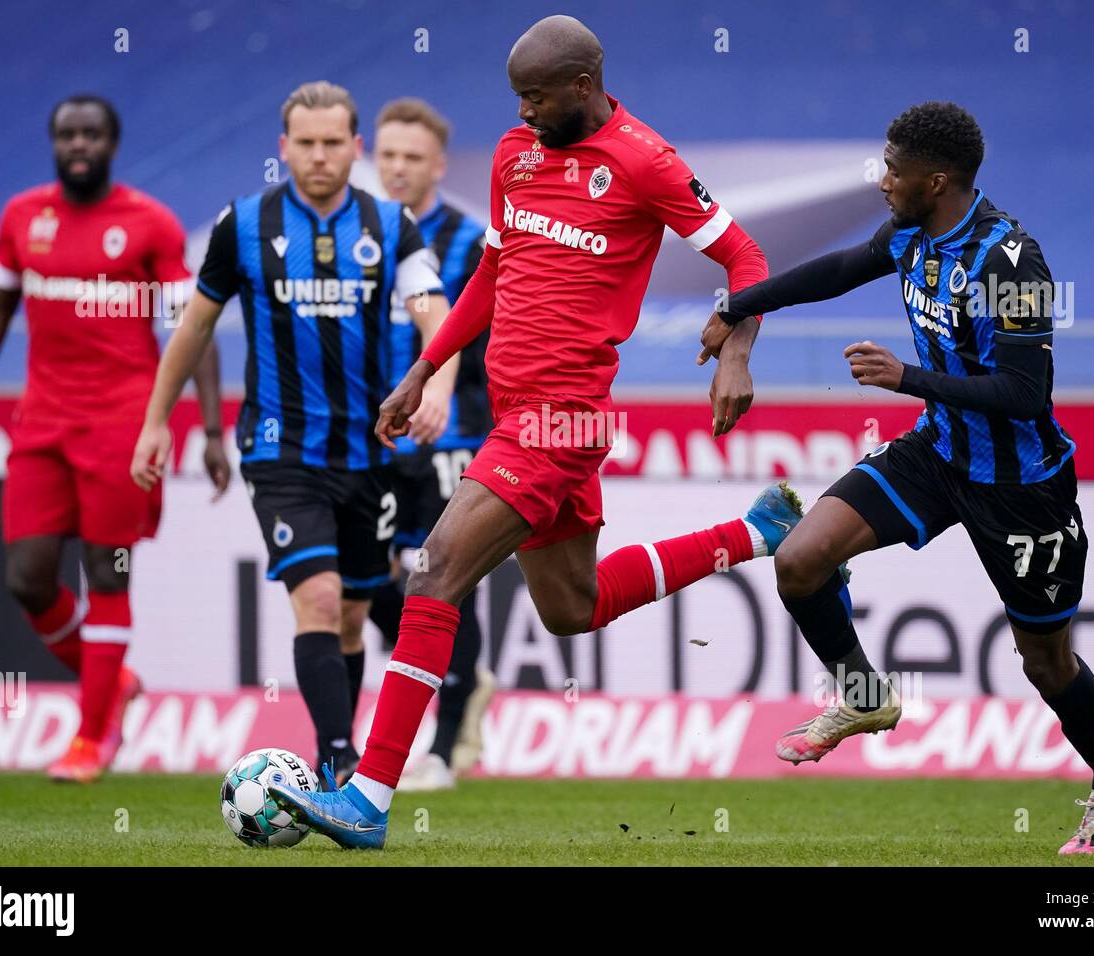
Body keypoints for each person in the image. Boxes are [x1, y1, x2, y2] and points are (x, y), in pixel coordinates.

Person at [269, 15, 793, 850]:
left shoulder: (645, 162)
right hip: (519, 415)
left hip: (561, 420)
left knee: (434, 571)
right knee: (570, 609)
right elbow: (492, 269)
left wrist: (737, 343)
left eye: (536, 97)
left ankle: (367, 796)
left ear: (582, 87)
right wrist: (424, 368)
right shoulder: (516, 155)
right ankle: (755, 533)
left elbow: (749, 259)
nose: (523, 113)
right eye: (517, 98)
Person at [699, 101, 1094, 857]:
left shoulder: (1010, 261)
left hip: (1021, 487)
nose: (881, 181)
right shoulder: (913, 232)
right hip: (938, 453)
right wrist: (738, 304)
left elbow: (1024, 392)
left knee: (1047, 663)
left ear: (936, 179)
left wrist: (906, 377)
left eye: (893, 170)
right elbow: (843, 269)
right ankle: (863, 696)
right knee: (802, 560)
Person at [130, 81, 454, 786]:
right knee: (320, 596)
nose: (318, 156)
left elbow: (438, 314)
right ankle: (340, 760)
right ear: (283, 149)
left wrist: (441, 384)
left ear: (355, 147)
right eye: (304, 144)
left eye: (333, 143)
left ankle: (338, 753)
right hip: (281, 450)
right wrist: (157, 421)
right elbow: (195, 327)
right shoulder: (242, 225)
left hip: (370, 452)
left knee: (356, 610)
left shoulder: (390, 224)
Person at [0, 94, 228, 782]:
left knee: (107, 571)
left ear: (112, 143)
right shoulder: (22, 217)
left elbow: (193, 326)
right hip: (41, 422)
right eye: (67, 134)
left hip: (123, 426)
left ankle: (91, 735)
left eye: (91, 134)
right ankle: (114, 685)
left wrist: (214, 429)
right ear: (53, 142)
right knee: (28, 578)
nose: (79, 145)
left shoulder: (149, 224)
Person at [370, 97, 495, 791]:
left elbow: (492, 342)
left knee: (450, 584)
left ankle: (445, 751)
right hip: (375, 441)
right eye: (387, 154)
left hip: (455, 435)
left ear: (438, 165)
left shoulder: (473, 242)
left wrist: (446, 392)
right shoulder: (357, 236)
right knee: (372, 579)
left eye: (412, 157)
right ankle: (465, 680)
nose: (396, 168)